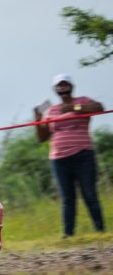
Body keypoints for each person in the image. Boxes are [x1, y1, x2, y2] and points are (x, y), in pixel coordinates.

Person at [34, 74, 105, 237]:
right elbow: (42, 138)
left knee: (90, 194)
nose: (63, 88)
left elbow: (99, 107)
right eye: (59, 86)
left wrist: (75, 108)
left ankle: (100, 231)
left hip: (83, 155)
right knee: (67, 199)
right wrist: (38, 119)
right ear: (55, 90)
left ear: (71, 86)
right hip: (59, 160)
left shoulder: (82, 101)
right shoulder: (51, 110)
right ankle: (68, 234)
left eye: (65, 85)